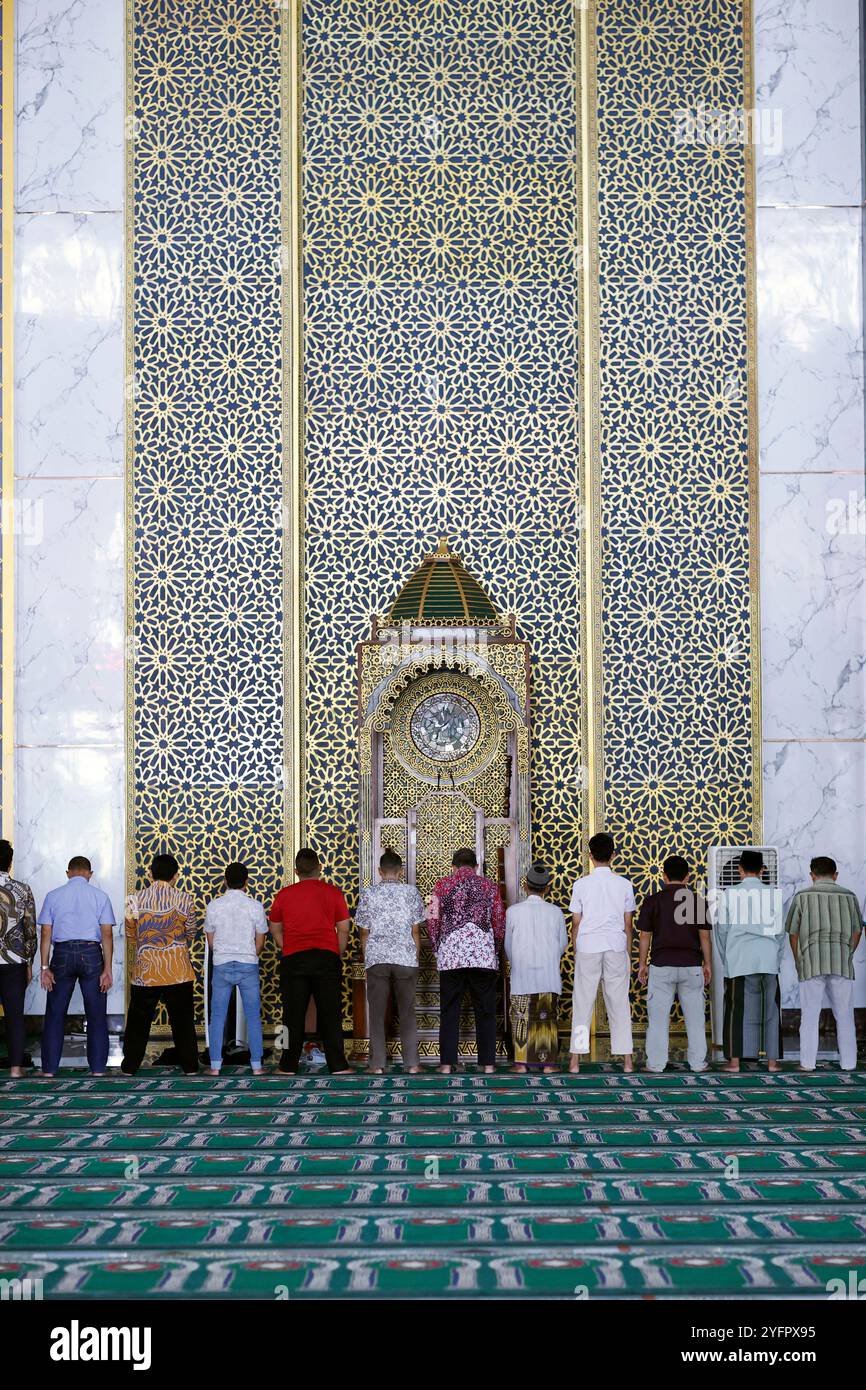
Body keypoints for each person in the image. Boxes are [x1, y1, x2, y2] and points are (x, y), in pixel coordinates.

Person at [269, 847, 351, 1075]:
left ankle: (286, 1065)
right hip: (326, 956)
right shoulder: (333, 892)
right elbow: (343, 928)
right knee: (331, 1013)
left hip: (294, 958)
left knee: (290, 1015)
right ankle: (338, 1065)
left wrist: (287, 947)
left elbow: (274, 928)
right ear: (320, 868)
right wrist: (337, 952)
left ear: (296, 871)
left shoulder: (284, 894)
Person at [427, 847, 505, 1075]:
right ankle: (488, 1064)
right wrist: (495, 948)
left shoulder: (441, 885)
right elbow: (499, 920)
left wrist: (437, 948)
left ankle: (446, 1065)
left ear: (453, 866)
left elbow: (432, 920)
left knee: (449, 1011)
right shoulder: (489, 886)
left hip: (451, 957)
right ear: (476, 866)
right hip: (482, 956)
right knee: (486, 1011)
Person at [121, 853, 200, 1076]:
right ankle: (190, 1067)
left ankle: (129, 1066)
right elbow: (191, 932)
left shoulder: (132, 900)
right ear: (176, 876)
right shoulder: (185, 899)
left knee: (138, 1021)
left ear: (150, 874)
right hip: (178, 971)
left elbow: (130, 935)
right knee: (183, 1021)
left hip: (145, 972)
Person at [38, 856, 115, 1077]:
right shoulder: (100, 896)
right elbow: (107, 934)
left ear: (68, 872)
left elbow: (45, 933)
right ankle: (98, 1069)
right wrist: (107, 969)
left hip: (61, 953)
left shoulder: (53, 896)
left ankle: (49, 1071)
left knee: (54, 1013)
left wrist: (44, 968)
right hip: (91, 954)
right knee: (97, 1014)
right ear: (90, 874)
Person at [786, 856, 863, 1072]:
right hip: (841, 962)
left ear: (812, 875)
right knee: (845, 1016)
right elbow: (857, 931)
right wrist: (847, 952)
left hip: (811, 961)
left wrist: (798, 960)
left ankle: (807, 1063)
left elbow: (793, 933)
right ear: (835, 875)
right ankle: (849, 1064)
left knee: (810, 1015)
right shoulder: (849, 896)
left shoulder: (802, 897)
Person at [638, 854, 712, 1073]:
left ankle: (656, 1064)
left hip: (661, 967)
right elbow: (704, 937)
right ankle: (698, 1063)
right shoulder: (698, 901)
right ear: (688, 877)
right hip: (691, 966)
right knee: (696, 1019)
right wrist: (707, 964)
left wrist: (643, 964)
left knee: (658, 1020)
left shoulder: (653, 901)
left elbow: (645, 936)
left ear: (663, 876)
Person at [714, 849, 785, 1072]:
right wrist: (776, 958)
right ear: (763, 870)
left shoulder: (728, 894)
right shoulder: (774, 894)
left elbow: (722, 931)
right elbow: (780, 933)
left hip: (739, 958)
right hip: (768, 957)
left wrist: (727, 957)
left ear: (739, 870)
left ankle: (734, 1062)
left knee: (736, 1011)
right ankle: (772, 1063)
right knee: (771, 1011)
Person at [568, 832, 635, 1074]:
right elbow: (628, 925)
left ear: (590, 856)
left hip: (588, 946)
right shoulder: (625, 885)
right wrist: (627, 954)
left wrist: (577, 949)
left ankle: (575, 1061)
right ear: (613, 855)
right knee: (619, 1003)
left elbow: (576, 923)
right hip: (616, 945)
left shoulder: (581, 885)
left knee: (582, 1003)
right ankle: (627, 1061)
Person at [356, 848, 424, 1074]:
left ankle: (376, 1065)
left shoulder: (369, 893)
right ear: (401, 871)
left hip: (377, 957)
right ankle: (412, 1064)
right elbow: (415, 931)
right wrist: (415, 957)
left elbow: (364, 932)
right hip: (405, 957)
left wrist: (368, 958)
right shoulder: (411, 892)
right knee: (407, 1012)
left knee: (376, 1013)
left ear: (379, 871)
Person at [204, 862, 268, 1076]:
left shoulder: (214, 906)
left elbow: (211, 942)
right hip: (248, 963)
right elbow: (260, 941)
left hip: (222, 964)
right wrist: (249, 954)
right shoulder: (255, 906)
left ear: (225, 882)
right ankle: (257, 1065)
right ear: (247, 883)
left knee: (218, 1016)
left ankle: (215, 1066)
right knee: (253, 1015)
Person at [504, 861, 567, 1073]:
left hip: (522, 976)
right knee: (546, 1019)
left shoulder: (513, 912)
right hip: (548, 975)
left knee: (521, 1018)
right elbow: (562, 945)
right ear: (547, 888)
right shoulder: (556, 912)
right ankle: (547, 1063)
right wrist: (548, 958)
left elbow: (508, 946)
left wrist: (518, 963)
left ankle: (521, 1064)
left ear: (525, 886)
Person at [0, 840, 37, 1077]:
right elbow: (29, 929)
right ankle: (15, 1068)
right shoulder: (22, 890)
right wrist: (30, 961)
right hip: (13, 962)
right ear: (10, 863)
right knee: (15, 1015)